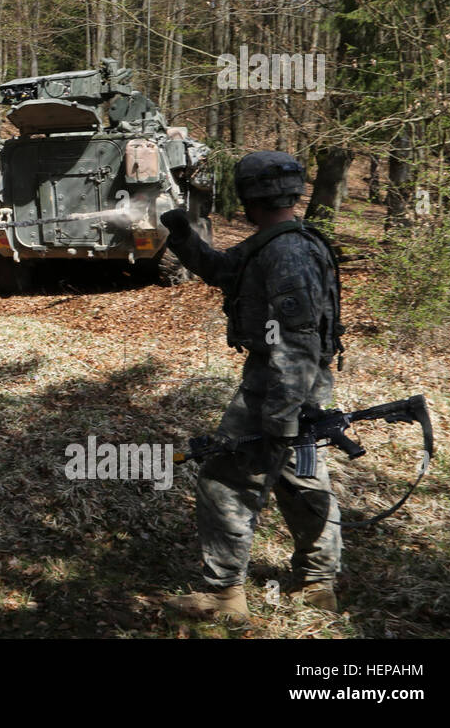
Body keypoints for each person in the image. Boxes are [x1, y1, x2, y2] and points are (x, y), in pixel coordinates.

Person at [159, 150, 344, 619]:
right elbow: (225, 272)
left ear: (247, 196)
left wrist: (280, 416)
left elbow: (298, 339)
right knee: (301, 476)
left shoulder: (287, 251)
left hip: (281, 383)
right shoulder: (279, 240)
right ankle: (317, 583)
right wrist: (183, 236)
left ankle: (225, 599)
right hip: (297, 383)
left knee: (225, 479)